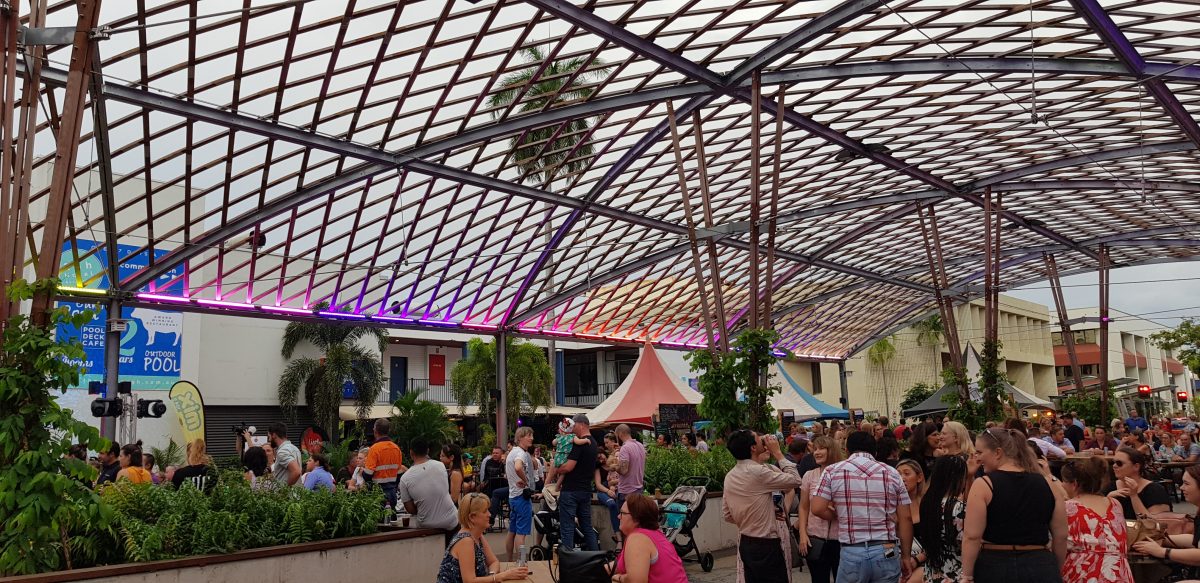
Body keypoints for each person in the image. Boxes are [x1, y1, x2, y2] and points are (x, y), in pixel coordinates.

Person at [960, 428, 1067, 583]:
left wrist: (967, 575)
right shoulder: (1049, 484)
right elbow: (1061, 536)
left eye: (980, 452)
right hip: (1041, 565)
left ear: (997, 452)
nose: (977, 458)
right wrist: (1055, 569)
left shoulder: (983, 485)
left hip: (996, 566)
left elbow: (972, 536)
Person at [812, 431, 915, 583]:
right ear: (875, 451)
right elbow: (906, 518)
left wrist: (838, 515)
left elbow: (817, 508)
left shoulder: (832, 471)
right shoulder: (892, 473)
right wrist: (906, 556)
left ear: (847, 449)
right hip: (886, 549)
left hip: (852, 550)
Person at [723, 429, 803, 583]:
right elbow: (795, 480)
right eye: (759, 440)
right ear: (753, 448)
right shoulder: (758, 472)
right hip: (765, 544)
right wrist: (779, 454)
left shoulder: (730, 475)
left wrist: (761, 513)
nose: (764, 442)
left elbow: (727, 514)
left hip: (746, 541)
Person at [1059, 457, 1133, 582]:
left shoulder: (1067, 507)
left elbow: (1058, 542)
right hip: (1118, 572)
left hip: (1083, 571)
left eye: (1064, 481)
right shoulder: (1115, 504)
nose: (1061, 485)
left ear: (1075, 483)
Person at [436, 492, 529, 583]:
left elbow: (493, 562)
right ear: (472, 517)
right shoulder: (466, 541)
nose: (489, 514)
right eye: (485, 511)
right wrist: (501, 576)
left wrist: (492, 576)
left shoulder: (477, 535)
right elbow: (469, 581)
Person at [796, 435, 844, 583]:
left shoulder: (843, 475)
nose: (817, 452)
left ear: (832, 450)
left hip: (840, 539)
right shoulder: (809, 476)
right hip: (815, 538)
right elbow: (803, 507)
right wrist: (803, 534)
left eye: (821, 448)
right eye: (815, 449)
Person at [610, 494, 689, 583]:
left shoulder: (637, 538)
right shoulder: (655, 535)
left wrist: (619, 578)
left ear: (636, 518)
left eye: (622, 513)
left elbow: (636, 581)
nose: (618, 516)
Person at [917, 455, 969, 583]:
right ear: (957, 478)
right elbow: (966, 542)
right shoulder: (958, 508)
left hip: (932, 572)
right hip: (957, 573)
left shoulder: (927, 503)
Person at [399, 439, 460, 537]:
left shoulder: (405, 478)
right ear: (427, 451)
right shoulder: (440, 466)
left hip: (426, 525)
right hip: (450, 521)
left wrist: (423, 505)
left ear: (411, 452)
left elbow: (410, 509)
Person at [557, 414, 599, 551]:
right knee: (587, 526)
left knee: (567, 527)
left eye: (573, 425)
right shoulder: (594, 443)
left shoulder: (579, 443)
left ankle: (568, 561)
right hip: (585, 490)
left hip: (571, 490)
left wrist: (557, 468)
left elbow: (568, 467)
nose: (571, 428)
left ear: (581, 424)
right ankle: (595, 557)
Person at [1107, 446, 1171, 518]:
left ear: (1136, 467)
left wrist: (1134, 496)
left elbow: (1153, 524)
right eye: (1113, 462)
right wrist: (1107, 500)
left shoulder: (1154, 490)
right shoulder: (1110, 487)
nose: (1114, 466)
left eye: (1119, 463)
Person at [504, 427, 535, 562]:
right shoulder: (521, 453)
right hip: (522, 497)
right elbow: (518, 467)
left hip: (513, 496)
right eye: (529, 436)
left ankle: (510, 561)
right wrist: (525, 480)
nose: (532, 438)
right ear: (520, 438)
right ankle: (521, 562)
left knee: (512, 531)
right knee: (521, 534)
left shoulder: (511, 452)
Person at [362, 419, 405, 508]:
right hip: (392, 492)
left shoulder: (374, 449)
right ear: (388, 431)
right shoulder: (396, 448)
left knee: (380, 520)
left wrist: (362, 472)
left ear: (375, 431)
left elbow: (368, 474)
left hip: (378, 494)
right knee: (390, 519)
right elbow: (399, 472)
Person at [897, 459, 927, 582]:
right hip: (898, 561)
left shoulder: (928, 505)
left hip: (925, 560)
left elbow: (939, 542)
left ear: (919, 477)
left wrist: (917, 560)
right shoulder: (890, 506)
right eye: (898, 474)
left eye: (906, 473)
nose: (902, 478)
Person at [550, 417, 590, 490]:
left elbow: (553, 443)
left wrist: (558, 440)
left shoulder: (559, 437)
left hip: (558, 456)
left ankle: (553, 480)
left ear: (560, 430)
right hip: (565, 457)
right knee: (563, 473)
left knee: (556, 470)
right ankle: (558, 485)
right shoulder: (572, 437)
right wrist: (585, 440)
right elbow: (578, 442)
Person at [615, 423, 646, 509]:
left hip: (626, 491)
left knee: (624, 520)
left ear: (620, 434)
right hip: (639, 488)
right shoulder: (640, 445)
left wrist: (614, 467)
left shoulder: (625, 448)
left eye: (617, 436)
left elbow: (623, 470)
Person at [268, 422, 303, 487]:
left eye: (269, 437)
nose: (269, 440)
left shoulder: (282, 451)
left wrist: (283, 489)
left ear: (274, 435)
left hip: (286, 496)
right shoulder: (294, 448)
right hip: (295, 494)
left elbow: (296, 471)